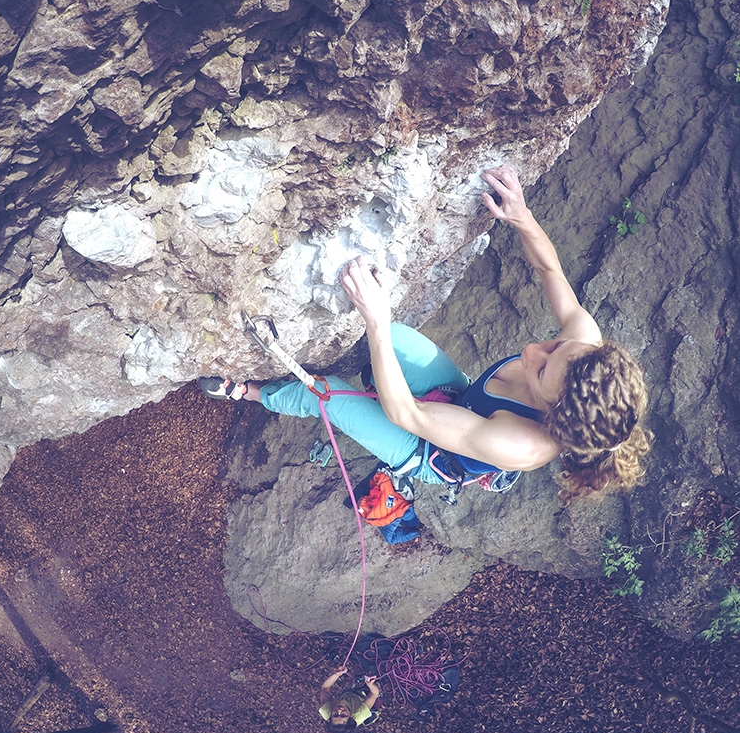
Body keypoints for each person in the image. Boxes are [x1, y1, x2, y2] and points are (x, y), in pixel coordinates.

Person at [200, 165, 651, 503]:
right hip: (460, 400)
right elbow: (549, 268)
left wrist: (373, 318)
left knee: (332, 395)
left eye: (541, 368)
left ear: (550, 413)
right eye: (556, 345)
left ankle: (252, 392)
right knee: (395, 339)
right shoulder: (585, 351)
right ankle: (373, 374)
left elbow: (409, 417)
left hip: (426, 448)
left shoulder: (521, 443)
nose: (534, 349)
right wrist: (522, 216)